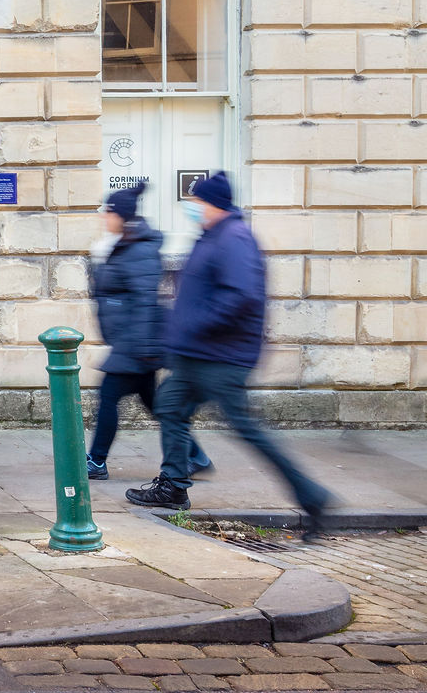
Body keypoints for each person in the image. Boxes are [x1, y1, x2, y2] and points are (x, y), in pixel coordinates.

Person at [126, 171, 334, 536]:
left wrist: (193, 325)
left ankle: (312, 496)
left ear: (213, 204)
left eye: (197, 203)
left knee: (246, 428)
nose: (192, 209)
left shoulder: (235, 238)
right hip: (196, 356)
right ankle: (174, 486)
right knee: (169, 406)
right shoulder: (213, 237)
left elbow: (242, 297)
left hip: (221, 357)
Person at [85, 180, 210, 481]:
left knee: (108, 396)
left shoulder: (138, 250)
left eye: (108, 212)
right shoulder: (125, 245)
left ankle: (97, 461)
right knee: (157, 405)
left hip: (136, 343)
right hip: (134, 342)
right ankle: (196, 455)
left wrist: (142, 351)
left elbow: (143, 301)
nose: (104, 216)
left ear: (121, 216)